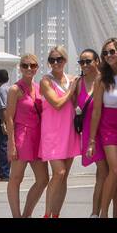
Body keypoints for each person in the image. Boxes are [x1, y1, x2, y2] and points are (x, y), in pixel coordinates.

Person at [88, 36, 117, 218]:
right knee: (115, 170)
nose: (108, 55)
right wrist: (91, 140)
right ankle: (103, 212)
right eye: (105, 53)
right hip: (109, 129)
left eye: (112, 51)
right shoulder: (101, 79)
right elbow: (96, 111)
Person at [38, 45, 80, 217]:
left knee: (64, 177)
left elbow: (77, 103)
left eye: (59, 59)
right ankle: (47, 214)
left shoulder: (72, 79)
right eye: (52, 60)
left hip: (69, 131)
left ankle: (56, 214)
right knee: (59, 172)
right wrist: (72, 90)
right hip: (52, 134)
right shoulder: (45, 81)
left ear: (65, 60)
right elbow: (56, 103)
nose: (56, 63)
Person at [4, 52, 48, 218]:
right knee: (16, 178)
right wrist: (11, 144)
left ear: (37, 68)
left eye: (33, 65)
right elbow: (8, 117)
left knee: (43, 179)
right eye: (25, 65)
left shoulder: (39, 88)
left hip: (37, 137)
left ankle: (26, 215)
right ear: (20, 68)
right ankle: (16, 216)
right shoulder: (15, 89)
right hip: (22, 136)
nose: (29, 68)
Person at [74, 48, 105, 217]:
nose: (84, 65)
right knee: (103, 172)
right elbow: (70, 105)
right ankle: (96, 212)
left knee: (106, 173)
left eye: (88, 61)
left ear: (97, 62)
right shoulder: (78, 83)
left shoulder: (104, 80)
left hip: (105, 130)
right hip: (89, 133)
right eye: (81, 62)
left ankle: (98, 212)